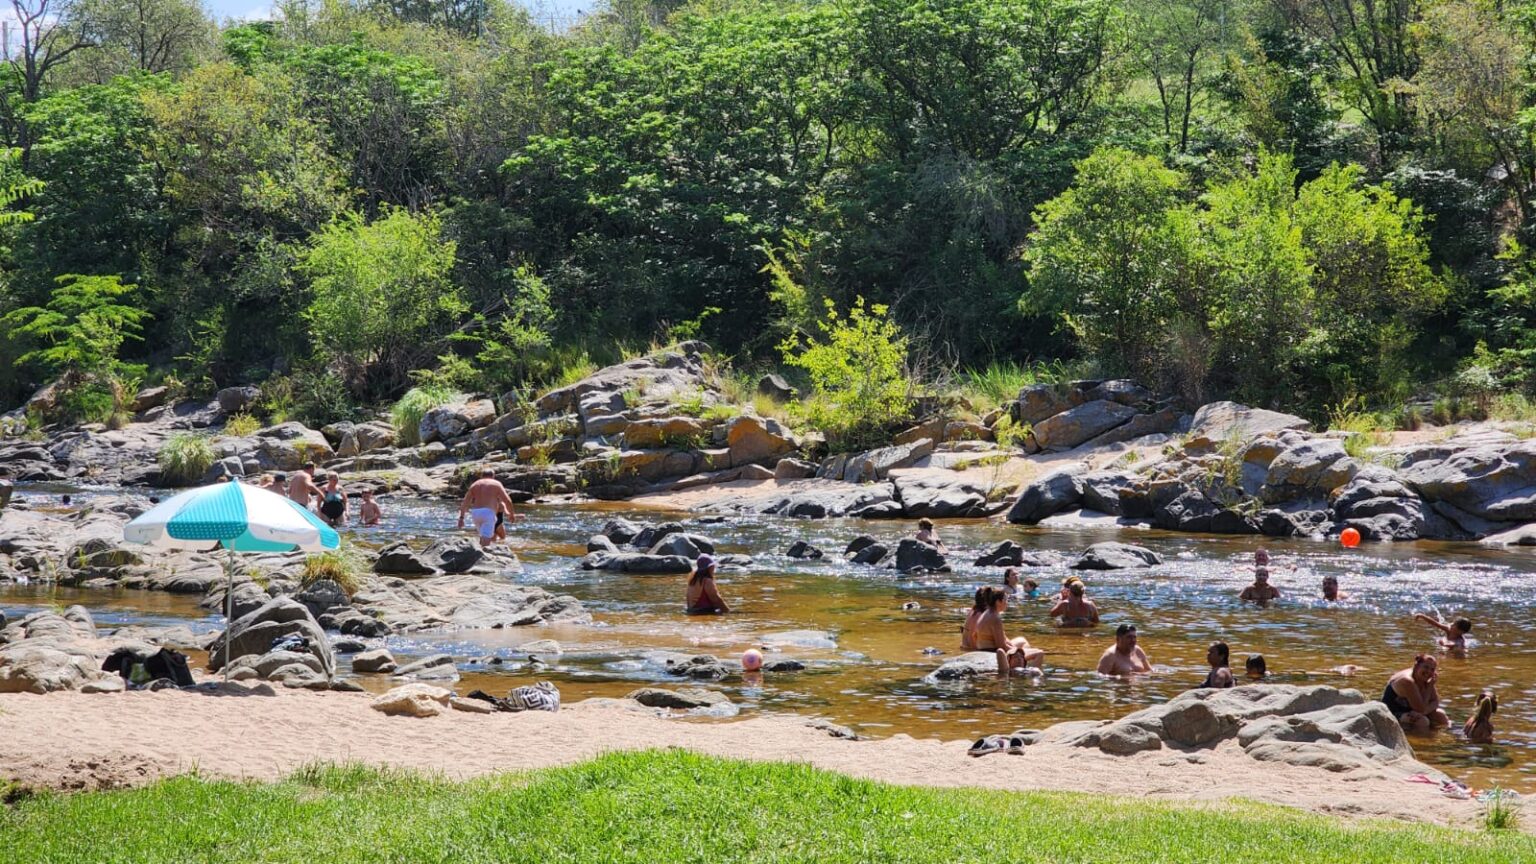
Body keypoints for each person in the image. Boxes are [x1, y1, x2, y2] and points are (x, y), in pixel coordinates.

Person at [964, 586, 1044, 676]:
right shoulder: (995, 618)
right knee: (1039, 653)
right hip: (992, 652)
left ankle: (1021, 667)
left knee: (1022, 644)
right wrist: (1017, 652)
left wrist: (1017, 649)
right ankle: (1028, 676)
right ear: (998, 602)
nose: (1007, 603)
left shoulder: (987, 613)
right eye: (1006, 600)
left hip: (985, 649)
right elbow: (1001, 646)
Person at [1382, 654, 1450, 732]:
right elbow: (1420, 709)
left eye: (1432, 669)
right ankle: (1420, 742)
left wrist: (1422, 712)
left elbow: (1435, 702)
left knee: (1440, 714)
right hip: (1392, 713)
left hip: (1413, 711)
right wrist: (1430, 686)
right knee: (1422, 721)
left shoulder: (1424, 678)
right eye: (1426, 667)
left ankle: (1447, 736)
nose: (1429, 672)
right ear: (1416, 665)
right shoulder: (1407, 681)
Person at [457, 467, 515, 549]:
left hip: (475, 513)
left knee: (482, 537)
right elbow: (507, 500)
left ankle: (479, 555)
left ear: (481, 476)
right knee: (486, 540)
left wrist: (461, 518)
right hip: (488, 512)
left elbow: (465, 502)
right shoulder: (496, 484)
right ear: (493, 476)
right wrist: (511, 514)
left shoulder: (475, 485)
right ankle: (483, 558)